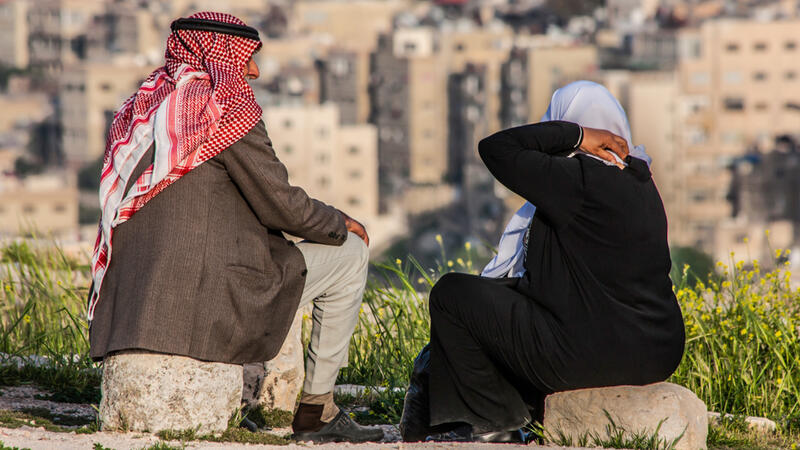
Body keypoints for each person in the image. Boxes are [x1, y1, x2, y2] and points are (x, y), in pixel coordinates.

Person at [87, 12, 383, 443]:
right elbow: (283, 205)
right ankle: (318, 410)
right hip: (202, 297)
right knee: (350, 255)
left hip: (130, 309)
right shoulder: (224, 112)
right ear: (220, 58)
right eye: (247, 58)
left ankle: (255, 398)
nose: (254, 71)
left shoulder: (141, 109)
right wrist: (340, 223)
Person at [424, 81, 686, 442]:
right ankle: (522, 410)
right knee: (513, 299)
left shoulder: (577, 180)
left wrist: (577, 135)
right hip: (659, 351)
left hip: (596, 355)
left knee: (452, 294)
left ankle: (493, 423)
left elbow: (496, 149)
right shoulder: (641, 180)